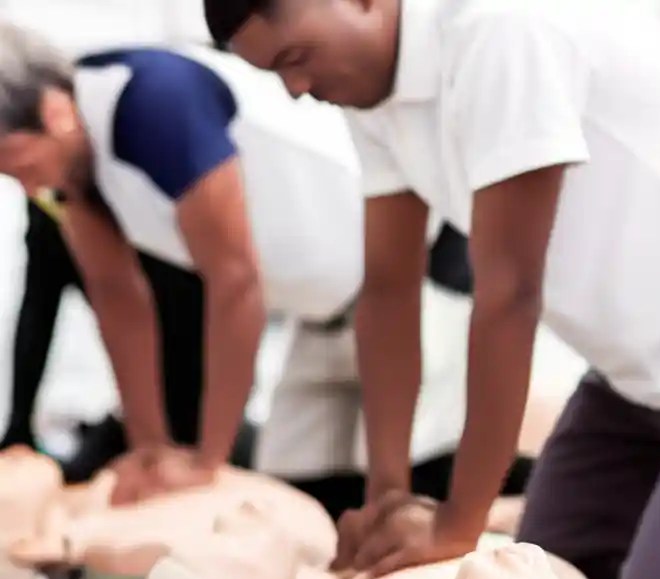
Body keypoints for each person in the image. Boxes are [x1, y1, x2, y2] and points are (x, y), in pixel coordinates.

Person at [204, 0, 660, 579]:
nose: (296, 90)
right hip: (627, 378)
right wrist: (388, 497)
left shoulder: (501, 29)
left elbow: (509, 296)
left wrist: (455, 527)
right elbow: (387, 293)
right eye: (277, 74)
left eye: (295, 59)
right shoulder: (362, 83)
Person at [0, 25, 410, 512]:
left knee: (413, 491)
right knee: (313, 495)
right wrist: (150, 448)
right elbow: (117, 297)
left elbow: (234, 280)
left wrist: (207, 461)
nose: (24, 188)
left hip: (406, 283)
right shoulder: (73, 167)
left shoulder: (152, 101)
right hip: (319, 317)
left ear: (53, 113)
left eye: (15, 163)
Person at [1, 195, 256, 482]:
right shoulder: (48, 198)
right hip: (136, 413)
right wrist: (17, 430)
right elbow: (38, 310)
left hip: (201, 401)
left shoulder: (144, 189)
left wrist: (211, 456)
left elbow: (235, 290)